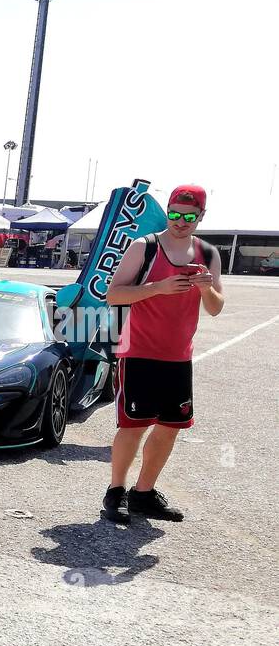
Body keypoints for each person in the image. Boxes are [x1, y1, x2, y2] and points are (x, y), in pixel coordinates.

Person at [101, 185, 225, 524]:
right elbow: (114, 295)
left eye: (188, 216)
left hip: (179, 357)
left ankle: (144, 493)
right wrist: (158, 288)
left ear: (201, 216)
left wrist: (205, 287)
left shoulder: (209, 253)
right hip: (139, 353)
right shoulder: (145, 246)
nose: (180, 221)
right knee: (133, 426)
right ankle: (115, 493)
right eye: (174, 214)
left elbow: (215, 307)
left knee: (170, 426)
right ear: (168, 211)